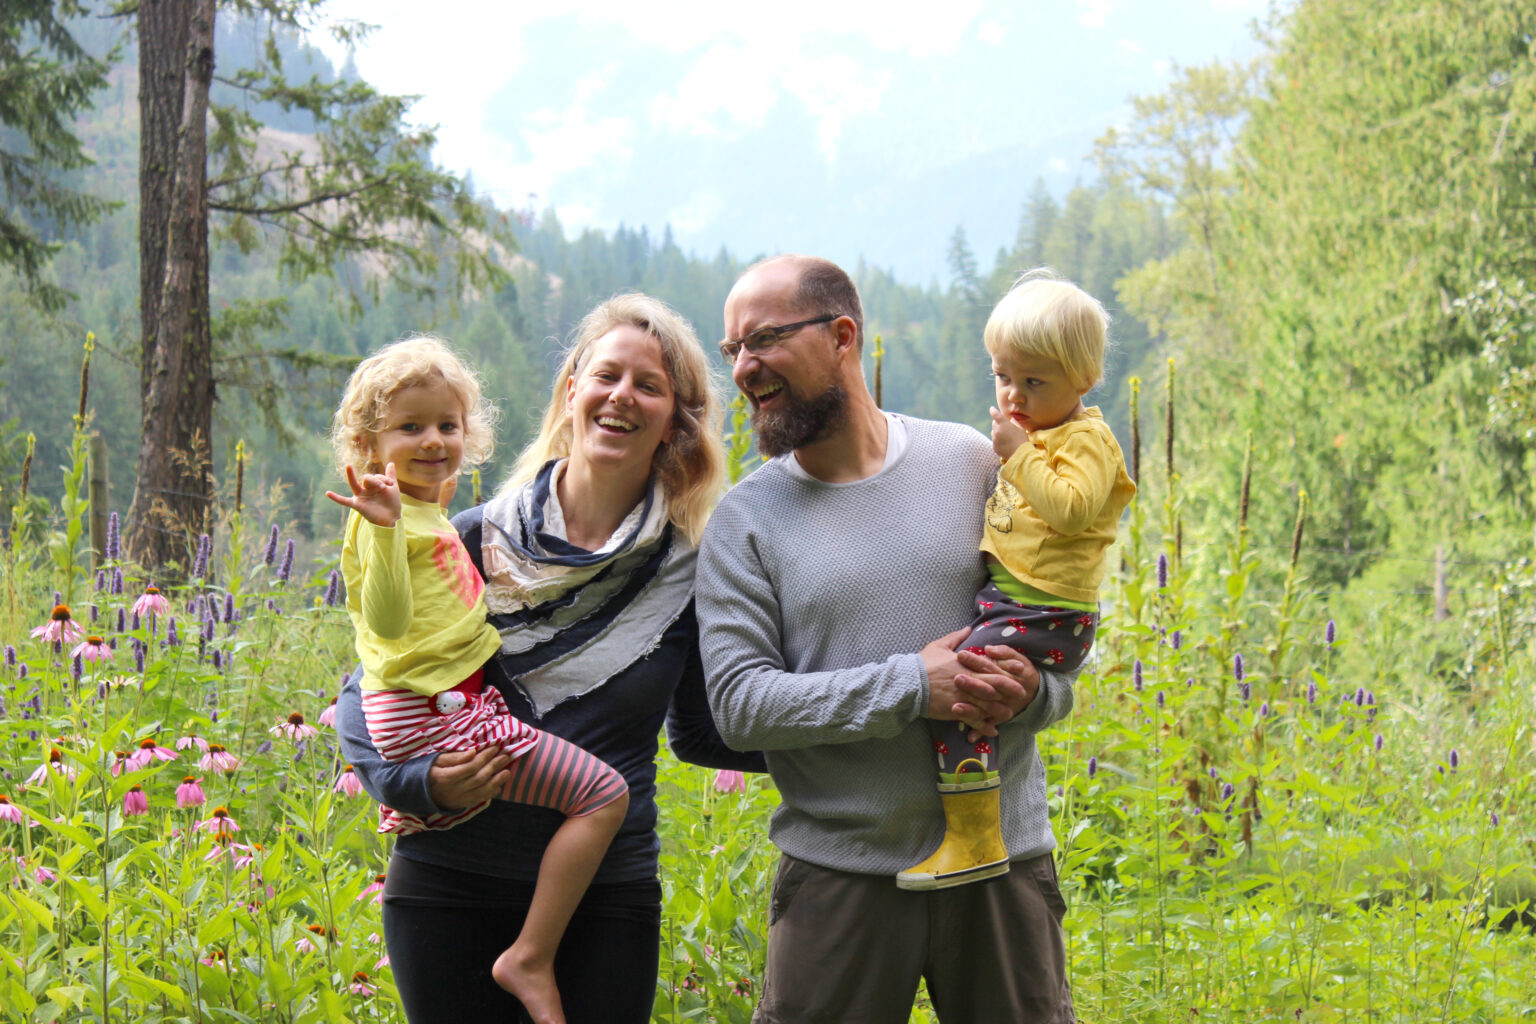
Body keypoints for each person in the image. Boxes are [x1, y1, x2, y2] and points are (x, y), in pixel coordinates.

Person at [334, 297, 764, 1024]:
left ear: (674, 422)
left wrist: (858, 731)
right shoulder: (467, 540)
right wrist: (418, 782)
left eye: (649, 386)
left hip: (605, 897)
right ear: (572, 391)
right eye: (606, 375)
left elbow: (702, 732)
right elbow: (365, 691)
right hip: (449, 884)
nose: (622, 396)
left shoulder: (689, 575)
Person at [697, 254, 1078, 1023]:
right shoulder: (745, 521)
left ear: (843, 335)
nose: (744, 367)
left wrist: (1033, 693)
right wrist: (913, 685)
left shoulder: (971, 461)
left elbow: (1051, 634)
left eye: (764, 339)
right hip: (840, 878)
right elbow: (739, 706)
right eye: (732, 348)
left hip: (1001, 867)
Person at [326, 336, 630, 1023]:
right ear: (369, 447)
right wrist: (380, 530)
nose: (433, 440)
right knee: (603, 797)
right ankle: (529, 954)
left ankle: (442, 819)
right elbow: (388, 619)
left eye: (447, 425)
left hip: (437, 706)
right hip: (432, 713)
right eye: (410, 427)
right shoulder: (386, 520)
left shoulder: (433, 517)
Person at [898, 271, 1134, 891]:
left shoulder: (1086, 440)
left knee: (958, 689)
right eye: (1003, 377)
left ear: (1083, 380)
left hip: (1047, 611)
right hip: (1018, 603)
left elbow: (1073, 508)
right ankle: (973, 825)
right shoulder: (1040, 435)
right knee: (970, 686)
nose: (1014, 396)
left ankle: (974, 838)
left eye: (1034, 381)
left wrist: (1017, 456)